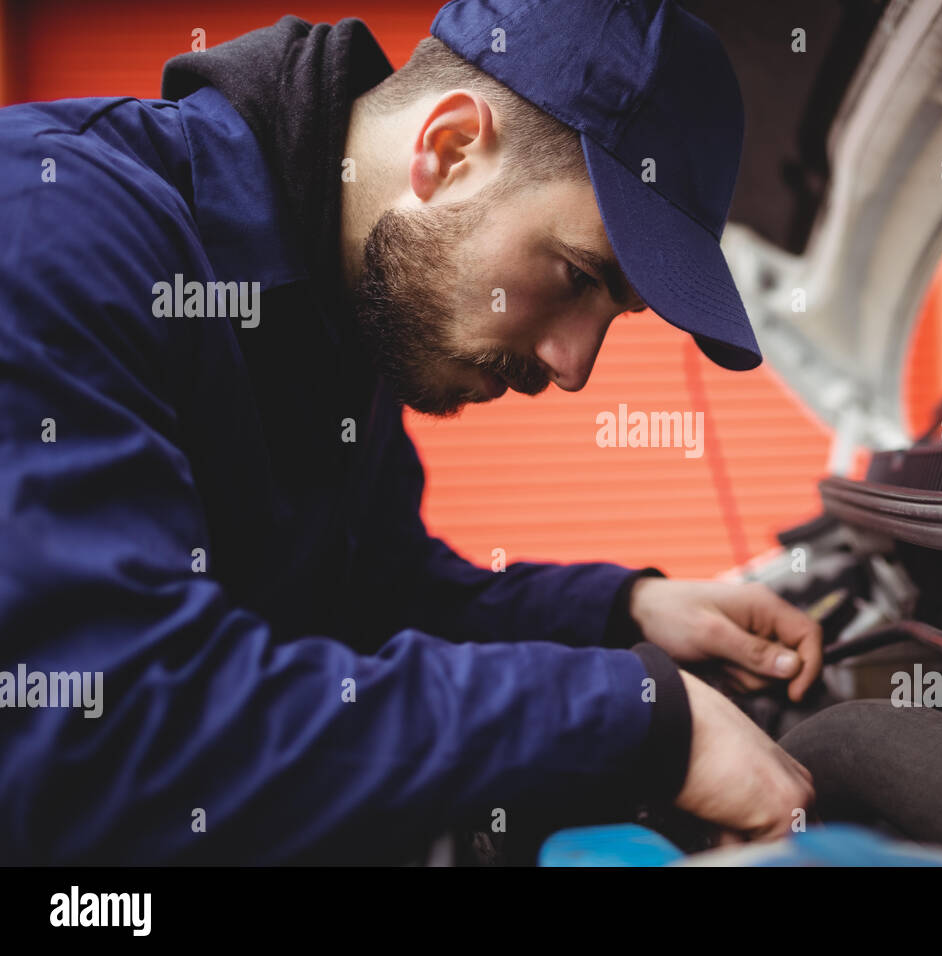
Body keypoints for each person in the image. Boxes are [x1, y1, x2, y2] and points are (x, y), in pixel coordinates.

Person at [0, 0, 820, 863]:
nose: (575, 366)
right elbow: (105, 730)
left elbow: (370, 604)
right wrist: (636, 723)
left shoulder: (344, 306)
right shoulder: (48, 228)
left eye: (617, 314)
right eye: (579, 276)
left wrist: (620, 616)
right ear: (450, 149)